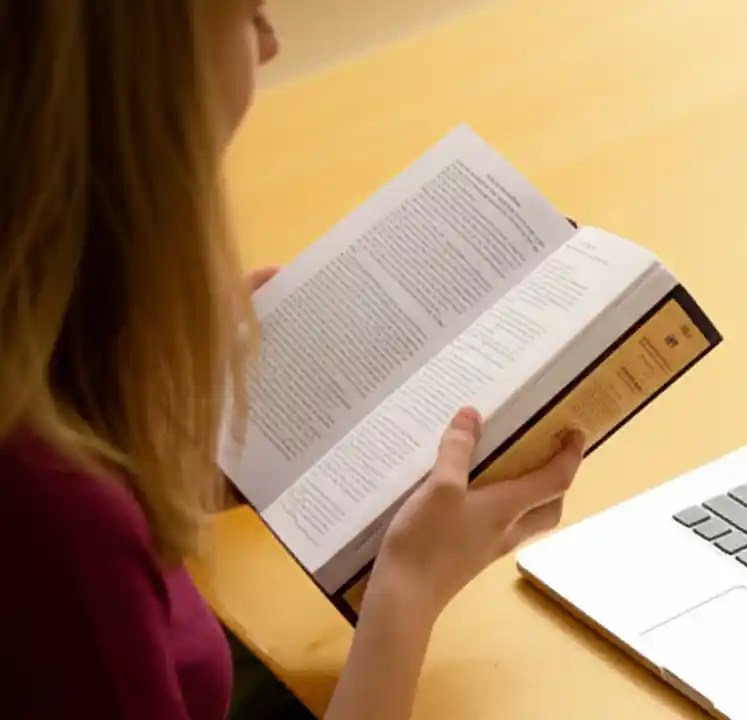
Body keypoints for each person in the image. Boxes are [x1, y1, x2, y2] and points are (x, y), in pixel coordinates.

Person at [0, 2, 583, 718]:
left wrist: (164, 447)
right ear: (147, 75)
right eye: (249, 14)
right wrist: (405, 591)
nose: (273, 45)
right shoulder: (65, 528)